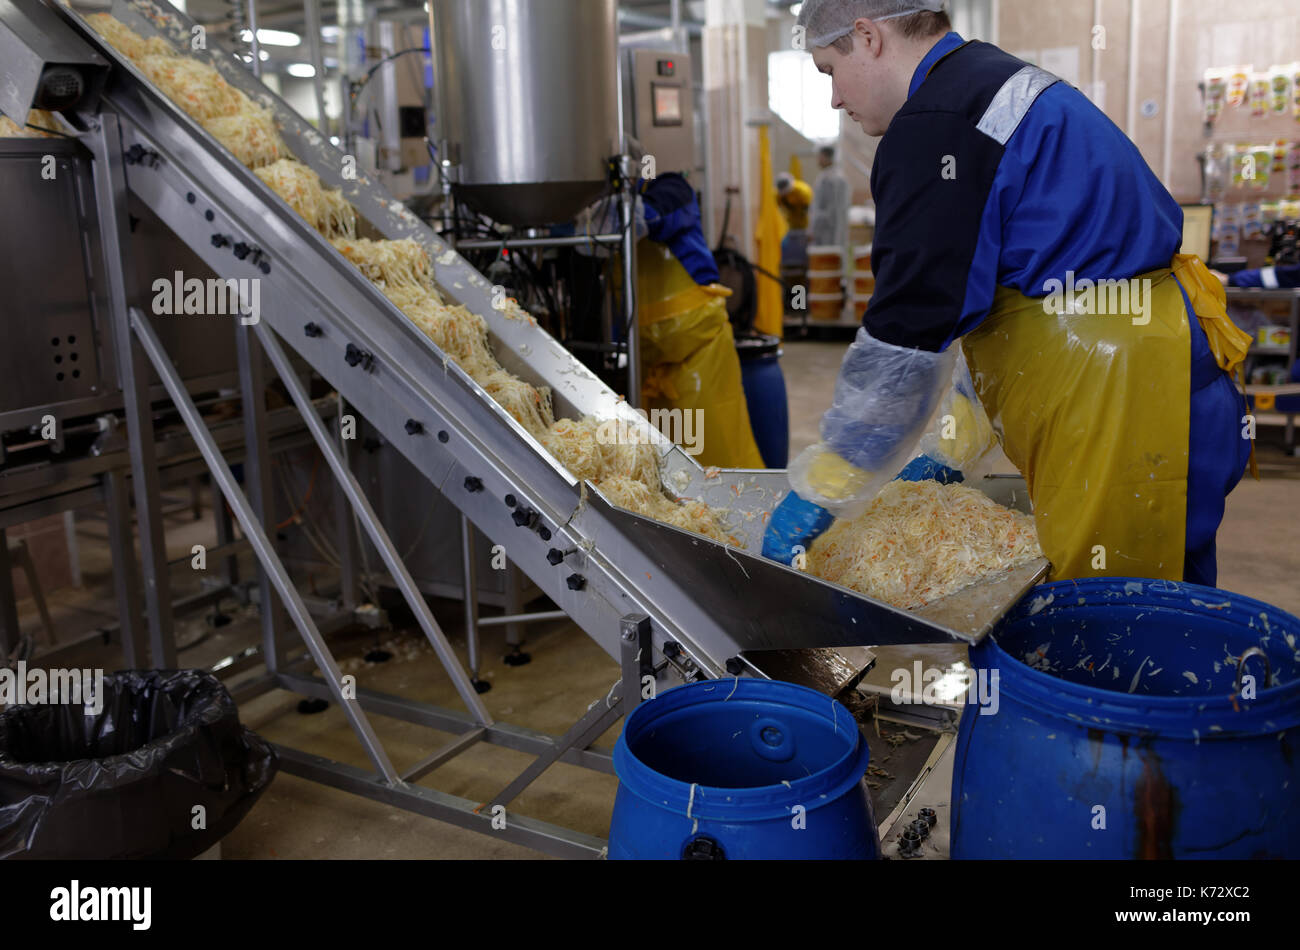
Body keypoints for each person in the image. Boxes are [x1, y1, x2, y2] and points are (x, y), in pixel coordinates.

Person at [762, 0, 1254, 587]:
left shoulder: (934, 123)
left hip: (1117, 400)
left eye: (829, 71)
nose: (834, 99)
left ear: (867, 36)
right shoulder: (995, 83)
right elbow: (1007, 313)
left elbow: (908, 331)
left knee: (1109, 615)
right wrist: (954, 446)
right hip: (1171, 378)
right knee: (1175, 599)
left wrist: (830, 481)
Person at [635, 173, 766, 470]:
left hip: (703, 357)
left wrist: (625, 214)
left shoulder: (672, 188)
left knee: (721, 457)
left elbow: (655, 217)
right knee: (672, 468)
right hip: (652, 368)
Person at [810, 145, 850, 249]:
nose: (817, 160)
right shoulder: (834, 177)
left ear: (825, 157)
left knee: (828, 254)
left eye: (819, 157)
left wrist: (814, 228)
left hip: (827, 230)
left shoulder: (830, 179)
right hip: (830, 228)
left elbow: (829, 209)